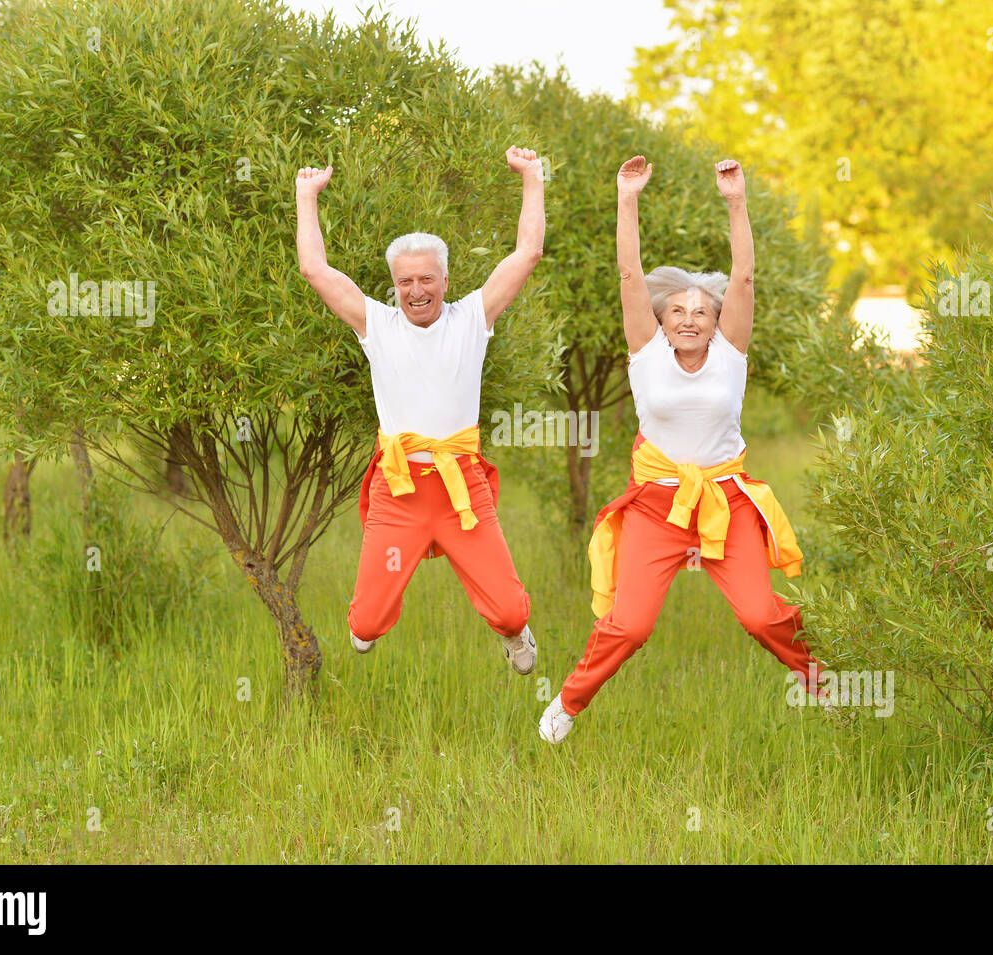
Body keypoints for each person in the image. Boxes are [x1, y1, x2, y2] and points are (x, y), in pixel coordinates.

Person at [538, 155, 827, 742]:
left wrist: (736, 201)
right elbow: (629, 276)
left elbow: (743, 278)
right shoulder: (645, 354)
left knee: (760, 613)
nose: (690, 319)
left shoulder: (730, 356)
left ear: (719, 322)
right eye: (678, 311)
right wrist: (627, 198)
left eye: (702, 312)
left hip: (726, 501)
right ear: (661, 322)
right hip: (658, 506)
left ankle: (826, 683)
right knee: (631, 623)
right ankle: (568, 702)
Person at [294, 147, 545, 674]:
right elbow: (315, 269)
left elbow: (526, 255)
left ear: (446, 282)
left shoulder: (472, 317)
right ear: (395, 286)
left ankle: (516, 634)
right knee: (364, 626)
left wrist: (531, 177)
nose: (416, 289)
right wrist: (306, 195)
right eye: (406, 281)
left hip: (461, 491)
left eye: (427, 278)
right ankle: (369, 620)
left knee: (508, 607)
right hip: (400, 488)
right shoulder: (377, 324)